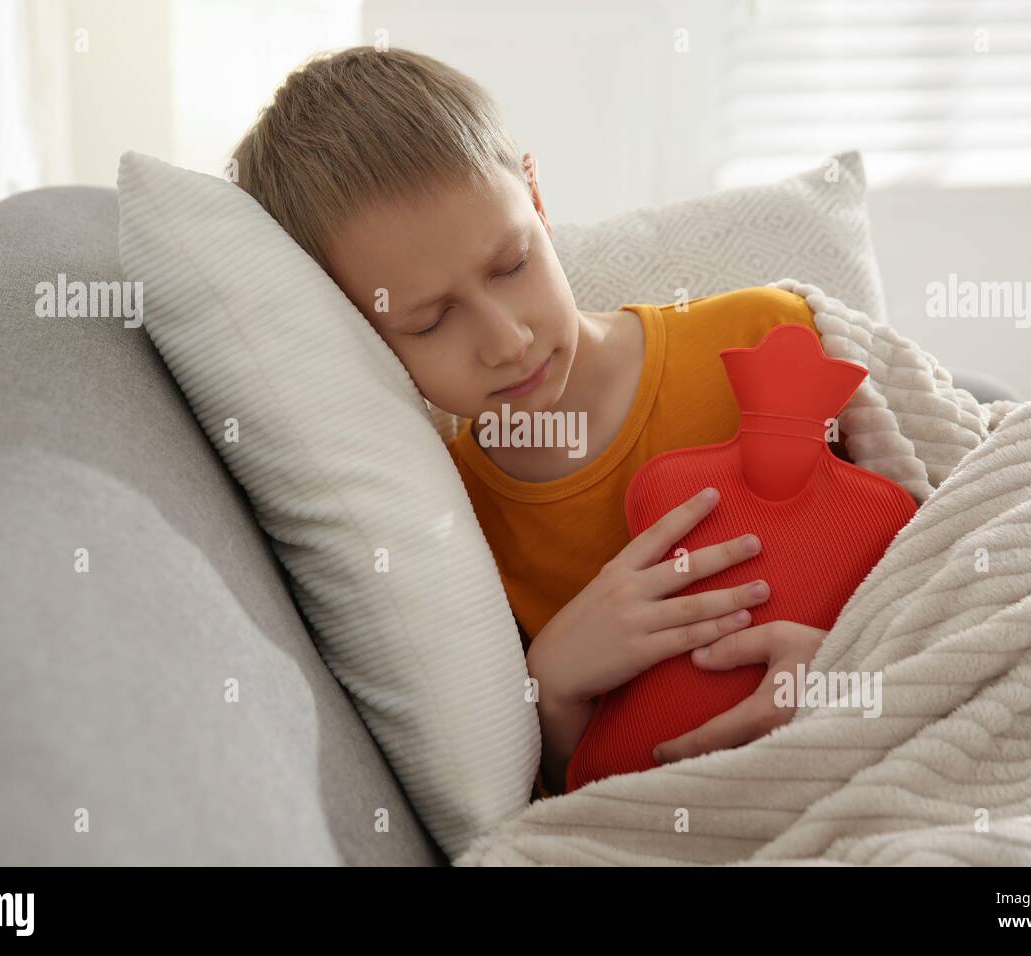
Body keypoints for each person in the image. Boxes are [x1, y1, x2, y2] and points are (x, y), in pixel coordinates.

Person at [230, 45, 833, 800]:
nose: (507, 340)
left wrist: (854, 666)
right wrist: (551, 686)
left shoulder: (764, 336)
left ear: (537, 199)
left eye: (511, 264)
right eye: (431, 319)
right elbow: (561, 799)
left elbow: (939, 543)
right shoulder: (451, 523)